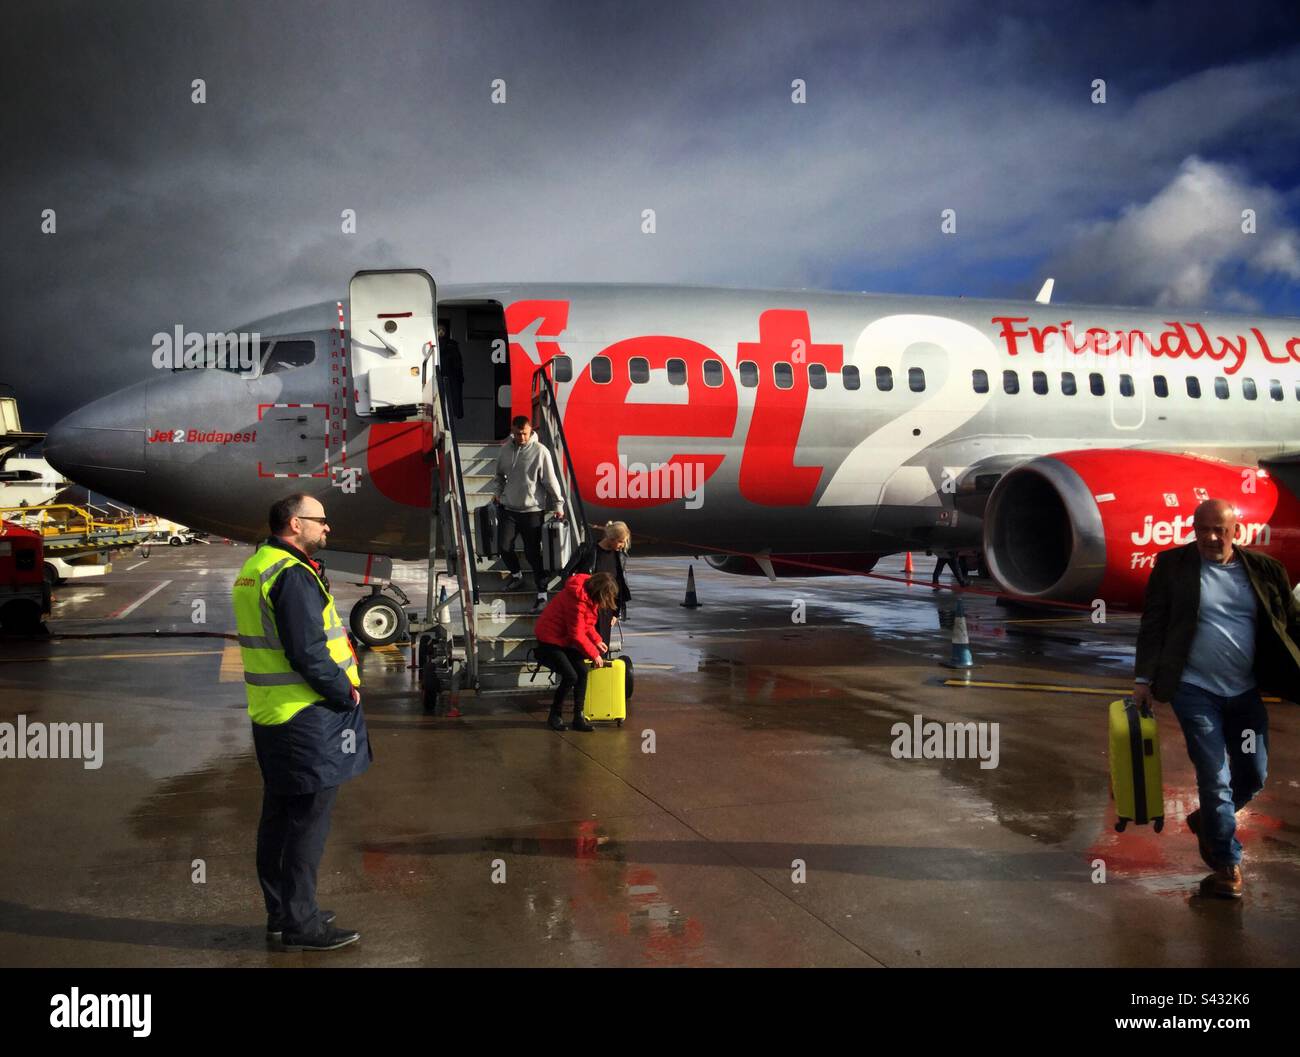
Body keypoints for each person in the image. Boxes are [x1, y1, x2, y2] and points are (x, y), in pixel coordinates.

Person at [1134, 498, 1300, 899]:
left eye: (1219, 530)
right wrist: (1143, 679)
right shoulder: (1173, 567)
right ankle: (1227, 862)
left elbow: (1291, 622)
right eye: (1202, 529)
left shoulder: (1263, 571)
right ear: (1193, 529)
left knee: (1253, 776)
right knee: (1214, 776)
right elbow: (1153, 622)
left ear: (1235, 532)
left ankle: (1207, 822)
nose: (1210, 537)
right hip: (1194, 690)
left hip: (1244, 691)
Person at [232, 493, 372, 950]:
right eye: (320, 521)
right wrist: (344, 691)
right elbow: (308, 651)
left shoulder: (258, 567)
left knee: (279, 819)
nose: (327, 528)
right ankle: (302, 924)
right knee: (306, 826)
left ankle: (284, 912)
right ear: (295, 524)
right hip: (304, 716)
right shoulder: (291, 575)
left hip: (273, 714)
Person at [493, 415, 564, 610]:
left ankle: (542, 594)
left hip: (532, 510)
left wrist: (558, 504)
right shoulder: (505, 450)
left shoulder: (541, 451)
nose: (521, 437)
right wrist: (498, 493)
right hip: (509, 509)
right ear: (512, 431)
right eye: (517, 434)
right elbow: (499, 476)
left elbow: (550, 480)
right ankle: (517, 576)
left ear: (530, 430)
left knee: (533, 553)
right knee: (504, 547)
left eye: (524, 433)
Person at [533, 571, 619, 732]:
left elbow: (585, 625)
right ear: (599, 592)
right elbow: (576, 634)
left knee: (582, 672)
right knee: (570, 675)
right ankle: (555, 714)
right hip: (549, 639)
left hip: (563, 638)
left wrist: (597, 640)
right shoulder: (576, 600)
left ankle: (578, 716)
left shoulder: (587, 594)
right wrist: (594, 654)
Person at [578, 521, 632, 648]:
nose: (622, 545)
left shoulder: (619, 556)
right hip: (588, 607)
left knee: (602, 647)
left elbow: (619, 585)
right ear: (611, 539)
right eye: (620, 541)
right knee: (587, 646)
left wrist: (616, 613)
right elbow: (568, 572)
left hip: (606, 610)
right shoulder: (588, 550)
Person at [437, 321, 464, 420]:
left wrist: (459, 376)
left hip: (452, 376)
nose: (441, 332)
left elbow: (458, 362)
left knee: (454, 399)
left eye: (443, 330)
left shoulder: (452, 344)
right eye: (439, 330)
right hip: (438, 376)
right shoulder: (433, 344)